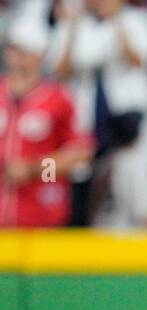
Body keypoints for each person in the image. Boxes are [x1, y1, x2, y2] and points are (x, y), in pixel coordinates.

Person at [49, 0, 147, 228]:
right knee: (83, 181)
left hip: (129, 120)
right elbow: (59, 71)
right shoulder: (75, 23)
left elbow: (140, 60)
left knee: (136, 179)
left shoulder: (138, 19)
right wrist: (73, 28)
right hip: (88, 119)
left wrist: (116, 21)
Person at [0, 16, 93, 227]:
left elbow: (80, 156)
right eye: (11, 50)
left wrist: (35, 170)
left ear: (39, 56)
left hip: (41, 216)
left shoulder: (59, 99)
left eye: (22, 52)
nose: (15, 58)